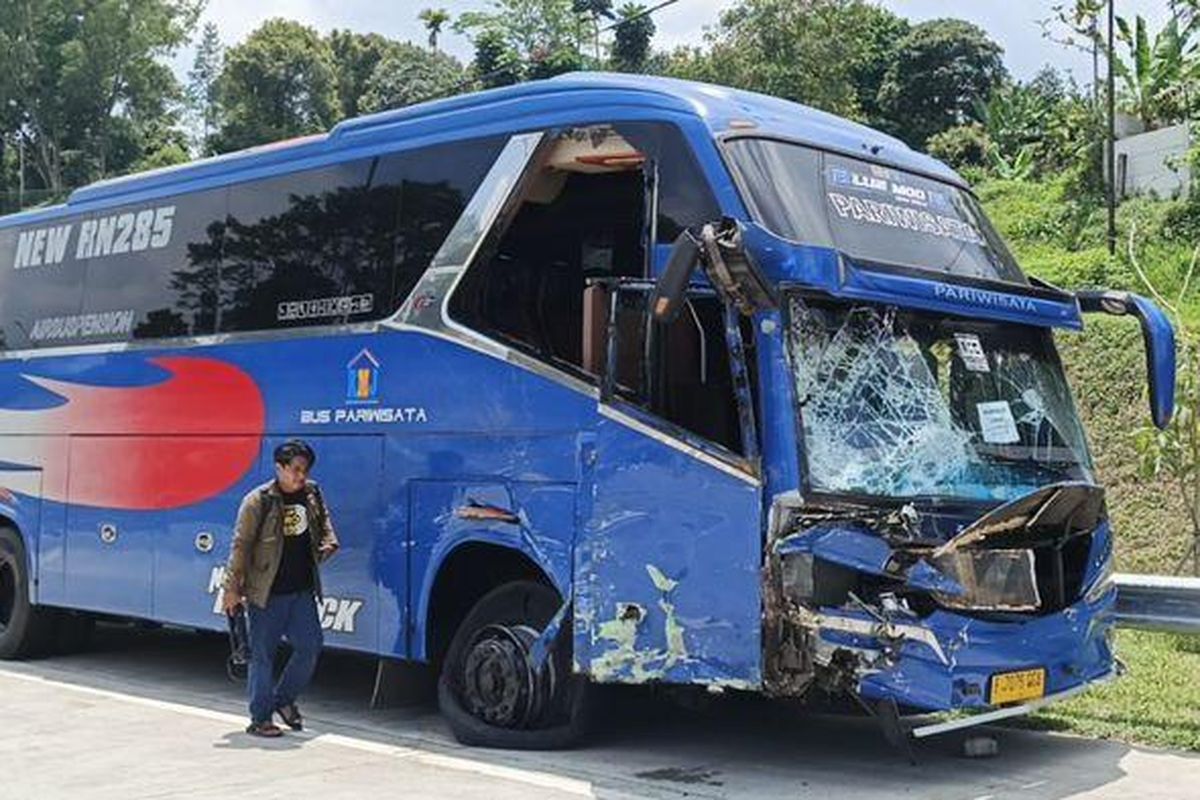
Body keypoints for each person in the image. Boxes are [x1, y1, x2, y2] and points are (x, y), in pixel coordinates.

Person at [222, 439, 339, 737]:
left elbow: (323, 520)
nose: (301, 475)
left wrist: (329, 540)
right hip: (266, 593)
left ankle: (284, 700)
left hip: (301, 589)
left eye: (305, 469)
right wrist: (231, 589)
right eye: (295, 469)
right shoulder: (258, 501)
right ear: (279, 468)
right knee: (262, 656)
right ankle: (260, 718)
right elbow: (241, 546)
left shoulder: (311, 492)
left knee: (310, 646)